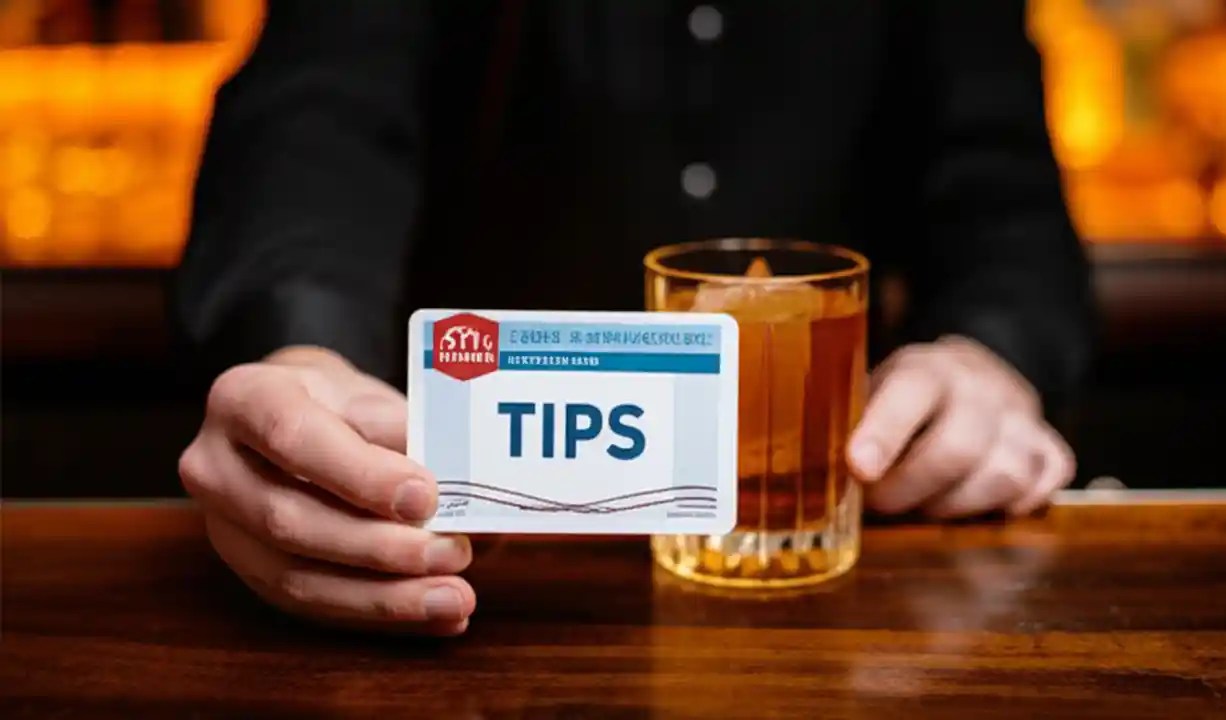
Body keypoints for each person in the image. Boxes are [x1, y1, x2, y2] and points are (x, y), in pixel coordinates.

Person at [174, 1, 1093, 634]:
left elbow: (1003, 191)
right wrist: (303, 351)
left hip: (836, 551)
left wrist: (988, 357)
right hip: (464, 552)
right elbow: (317, 106)